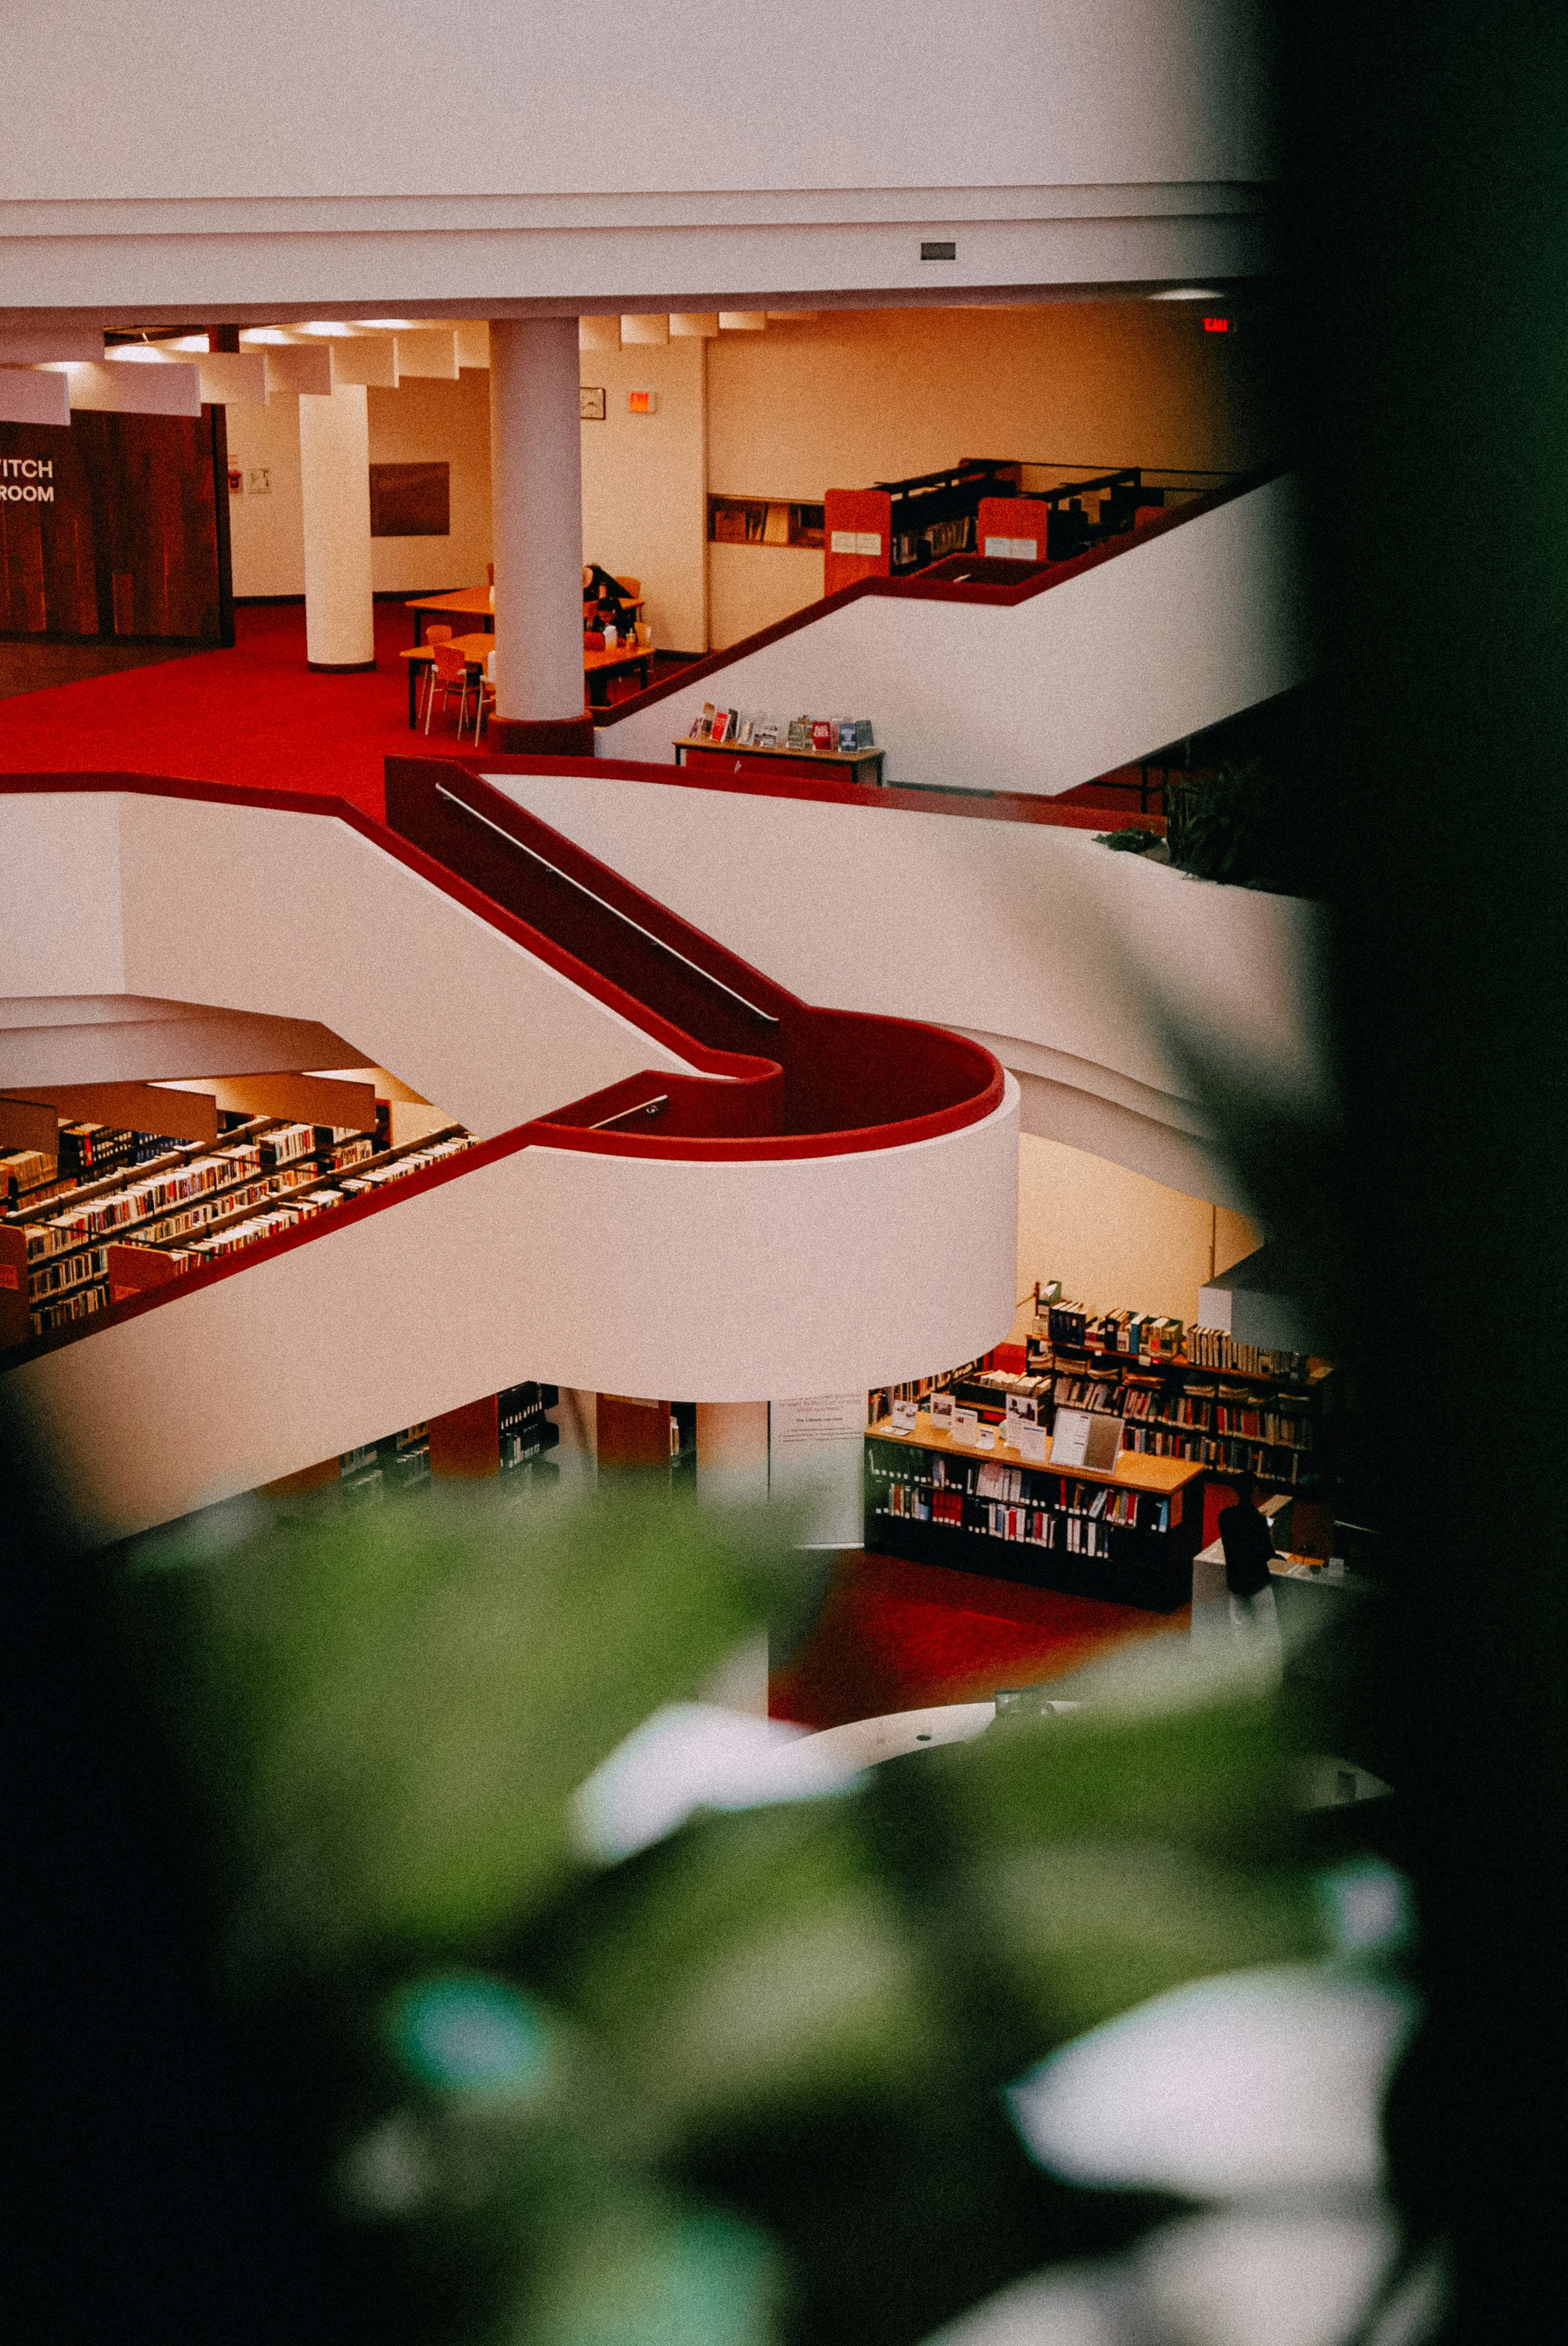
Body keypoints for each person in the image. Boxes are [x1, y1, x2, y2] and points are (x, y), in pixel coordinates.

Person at [1217, 1472, 1280, 1641]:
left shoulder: (1225, 1517)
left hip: (1236, 1582)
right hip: (1257, 1582)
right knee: (1268, 1630)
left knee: (1241, 1631)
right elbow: (1267, 1553)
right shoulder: (1258, 1521)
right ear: (1255, 1491)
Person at [581, 563, 637, 635]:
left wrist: (591, 619)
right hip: (603, 611)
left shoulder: (599, 576)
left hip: (616, 604)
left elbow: (603, 599)